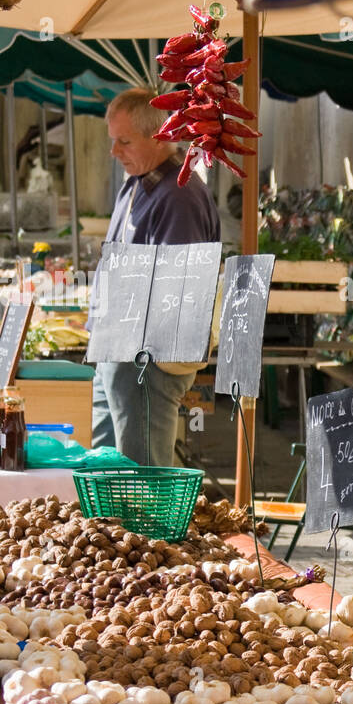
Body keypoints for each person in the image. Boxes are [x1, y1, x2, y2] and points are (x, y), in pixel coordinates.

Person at [91, 88, 220, 466]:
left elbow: (179, 288)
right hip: (117, 348)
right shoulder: (136, 183)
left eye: (125, 142)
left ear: (161, 135)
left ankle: (148, 528)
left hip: (146, 359)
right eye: (113, 141)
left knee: (140, 476)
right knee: (108, 469)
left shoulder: (179, 195)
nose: (114, 152)